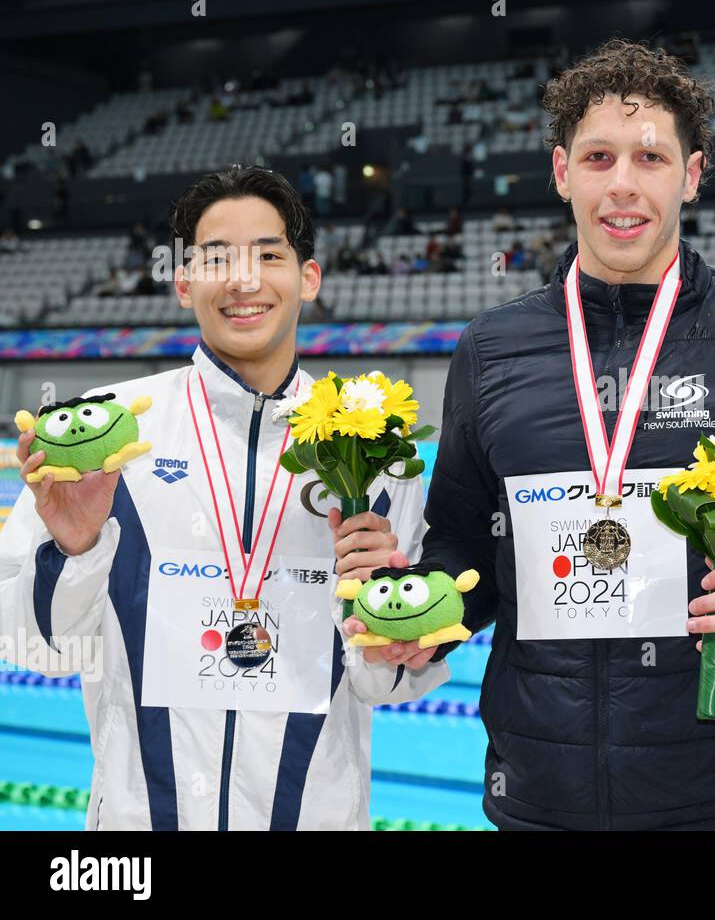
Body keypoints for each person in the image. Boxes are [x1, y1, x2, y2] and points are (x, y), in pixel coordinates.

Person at [380, 39, 715, 830]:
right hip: (537, 794)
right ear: (562, 172)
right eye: (598, 157)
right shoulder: (492, 350)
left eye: (650, 158)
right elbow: (463, 539)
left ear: (690, 175)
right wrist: (425, 613)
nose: (622, 184)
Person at [0, 165, 447, 830]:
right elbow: (36, 651)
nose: (243, 280)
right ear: (183, 283)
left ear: (309, 278)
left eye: (269, 255)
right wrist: (76, 549)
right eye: (216, 259)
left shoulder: (375, 452)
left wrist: (384, 631)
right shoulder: (108, 436)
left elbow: (384, 684)